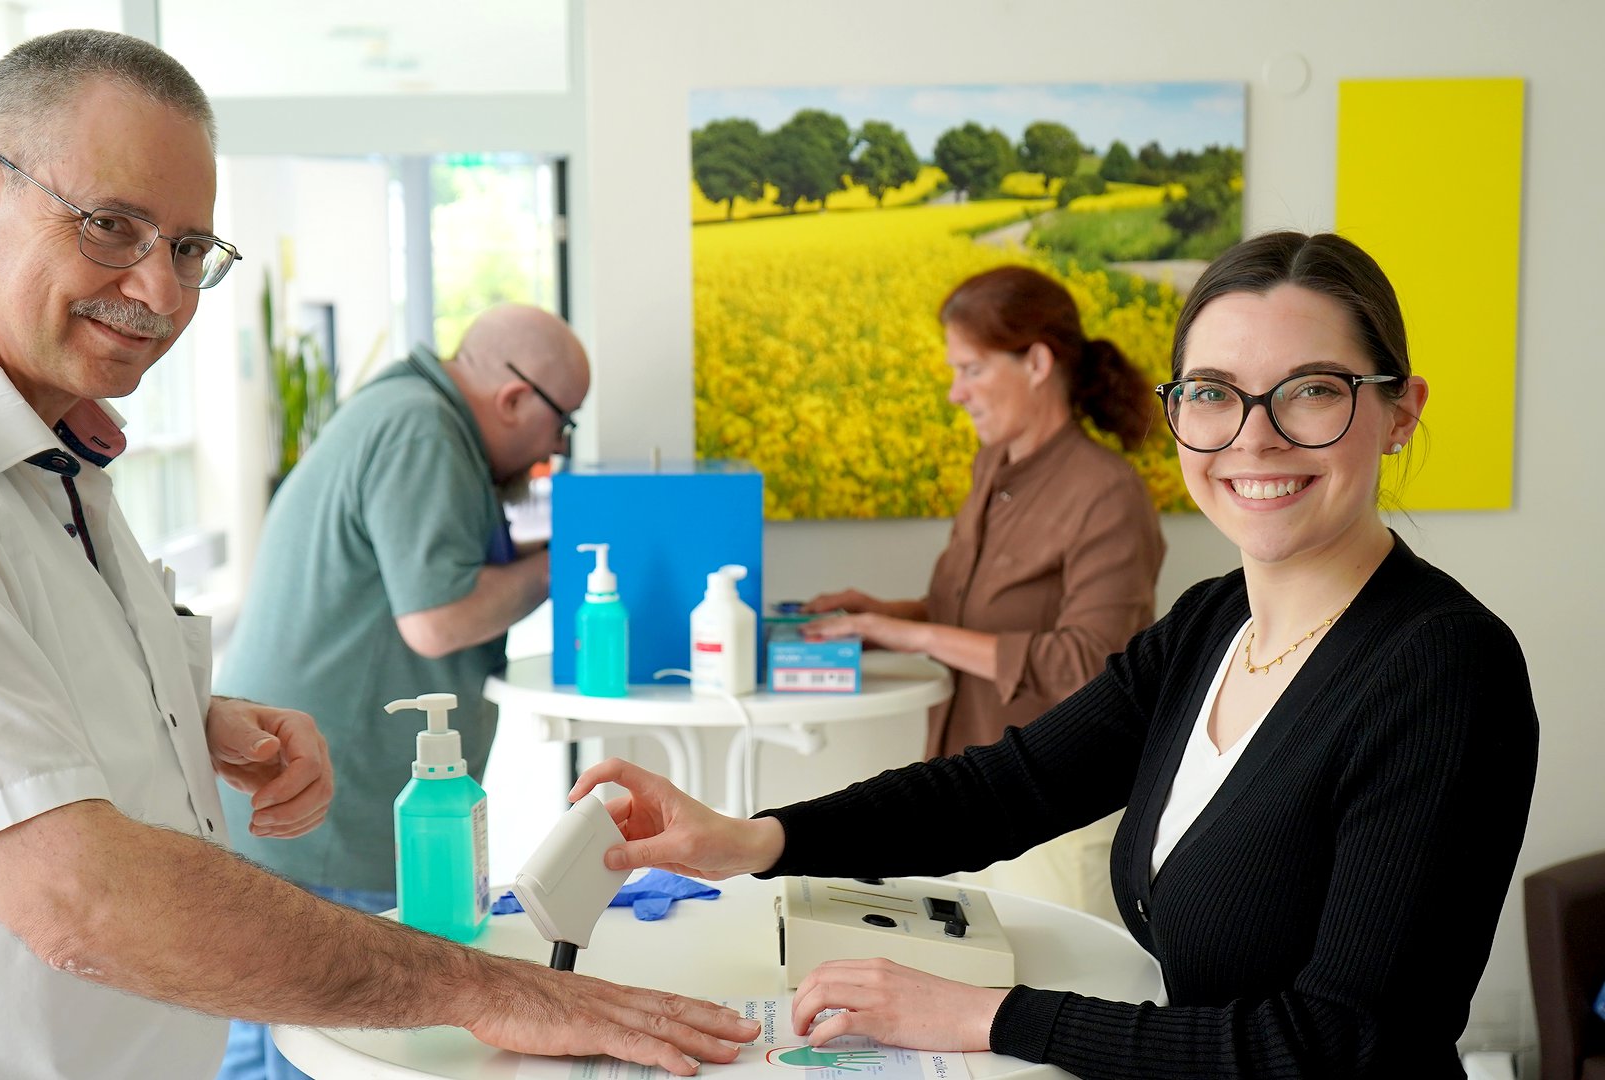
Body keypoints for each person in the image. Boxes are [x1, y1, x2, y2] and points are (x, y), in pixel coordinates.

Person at [0, 30, 754, 1079]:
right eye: (111, 226)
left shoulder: (51, 448)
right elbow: (80, 901)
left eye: (190, 250)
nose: (161, 295)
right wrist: (500, 993)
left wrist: (189, 725)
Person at [569, 232, 1538, 1077]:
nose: (1255, 437)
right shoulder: (1213, 625)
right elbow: (1008, 787)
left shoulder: (1445, 673)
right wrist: (756, 840)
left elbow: (1341, 1046)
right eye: (1213, 395)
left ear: (1401, 412)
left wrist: (987, 1018)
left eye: (1313, 393)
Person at [214, 306, 585, 1079]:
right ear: (517, 401)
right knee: (332, 1051)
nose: (557, 447)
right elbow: (438, 617)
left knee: (265, 1049)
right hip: (331, 813)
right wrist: (565, 564)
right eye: (564, 423)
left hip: (293, 798)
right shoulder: (423, 431)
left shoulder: (401, 409)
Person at [803, 265, 1165, 918]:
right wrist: (885, 614)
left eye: (970, 369)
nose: (954, 393)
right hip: (965, 803)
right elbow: (973, 616)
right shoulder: (992, 467)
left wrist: (908, 634)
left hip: (1055, 820)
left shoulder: (1108, 493)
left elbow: (1092, 666)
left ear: (1036, 363)